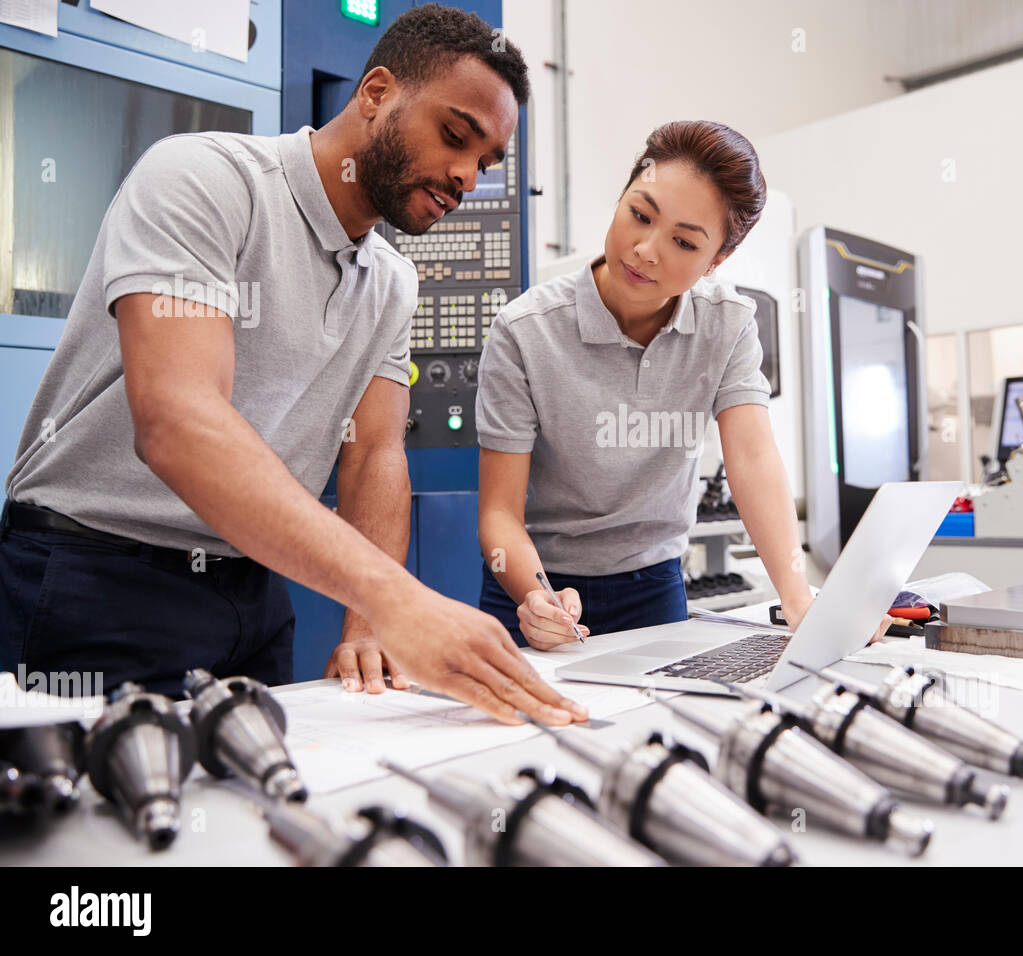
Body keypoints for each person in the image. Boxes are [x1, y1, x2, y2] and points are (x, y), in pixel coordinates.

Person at [0, 5, 586, 727]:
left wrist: (368, 620)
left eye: (485, 162)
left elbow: (374, 454)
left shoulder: (392, 282)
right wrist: (397, 599)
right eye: (455, 136)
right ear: (375, 94)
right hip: (94, 581)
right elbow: (178, 422)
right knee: (87, 832)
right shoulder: (205, 180)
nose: (466, 175)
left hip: (251, 596)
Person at [476, 121, 819, 649]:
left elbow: (752, 460)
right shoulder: (525, 330)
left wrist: (798, 599)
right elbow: (500, 511)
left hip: (655, 586)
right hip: (536, 584)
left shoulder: (727, 325)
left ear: (716, 262)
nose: (645, 249)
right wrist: (537, 596)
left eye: (684, 241)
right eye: (639, 215)